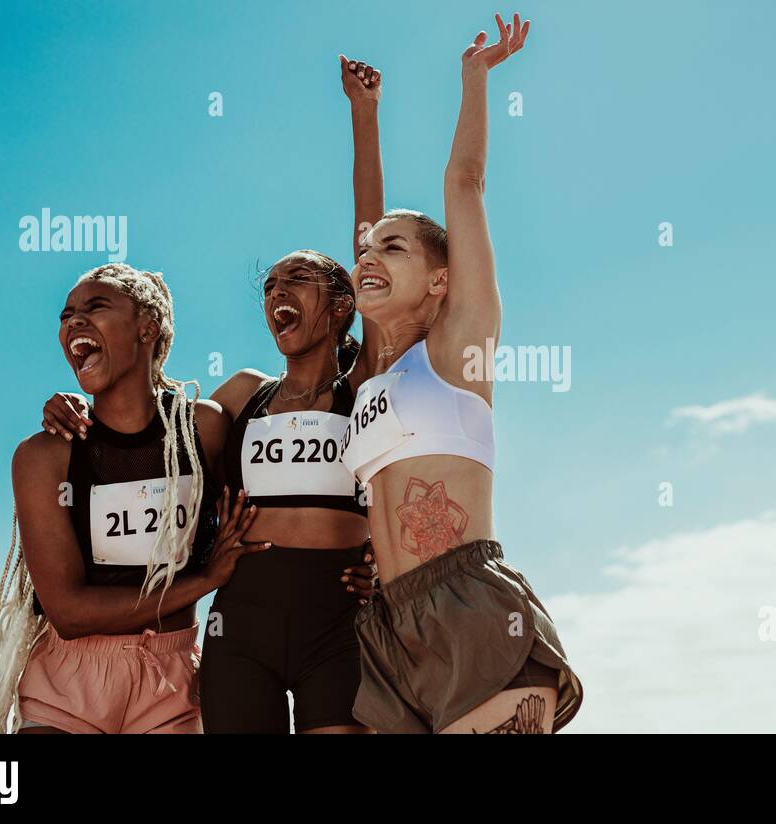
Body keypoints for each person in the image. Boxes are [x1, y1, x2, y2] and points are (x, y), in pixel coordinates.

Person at [34, 57, 388, 733]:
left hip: (337, 619)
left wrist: (363, 115)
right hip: (240, 619)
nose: (278, 293)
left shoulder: (365, 380)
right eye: (270, 287)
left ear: (343, 307)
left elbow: (371, 253)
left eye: (299, 282)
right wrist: (74, 401)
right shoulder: (246, 393)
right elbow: (145, 411)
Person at [341, 13, 583, 734]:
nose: (370, 257)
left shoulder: (458, 351)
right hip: (387, 624)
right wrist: (365, 119)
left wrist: (474, 79)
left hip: (468, 605)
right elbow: (361, 225)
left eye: (397, 249)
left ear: (443, 281)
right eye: (368, 251)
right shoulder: (376, 371)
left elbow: (466, 183)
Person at [0, 263, 267, 734]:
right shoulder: (44, 455)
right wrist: (205, 580)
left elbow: (287, 398)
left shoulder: (203, 429)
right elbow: (68, 613)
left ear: (148, 327)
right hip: (70, 682)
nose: (74, 321)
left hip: (169, 682)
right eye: (67, 314)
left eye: (95, 306)